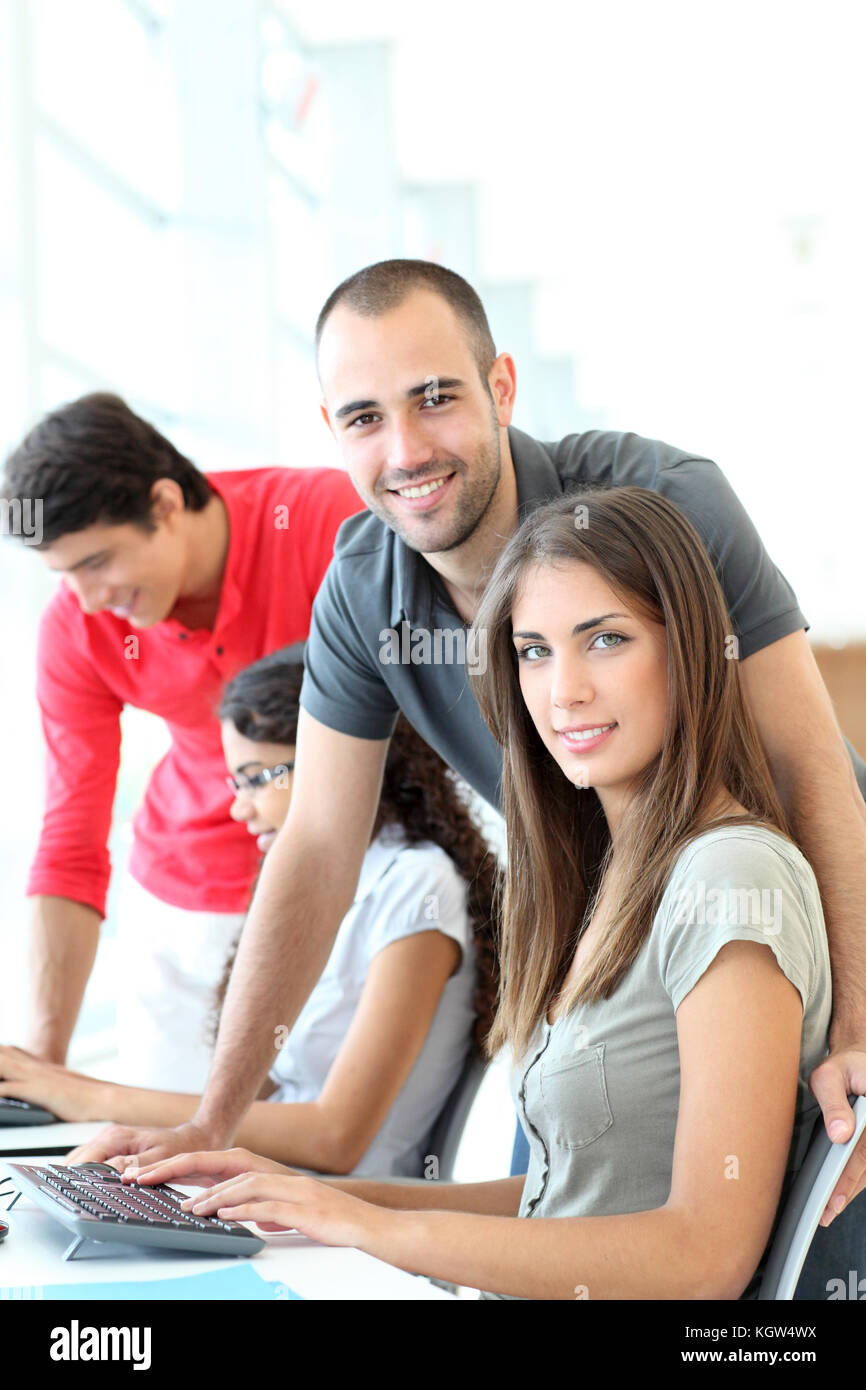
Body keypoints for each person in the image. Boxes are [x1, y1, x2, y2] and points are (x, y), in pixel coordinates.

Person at [67, 259, 866, 1229]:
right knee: (560, 1211)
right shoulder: (365, 586)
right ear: (332, 433)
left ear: (500, 388)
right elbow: (317, 848)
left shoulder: (662, 501)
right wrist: (214, 1121)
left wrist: (856, 1032)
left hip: (780, 929)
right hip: (607, 950)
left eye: (434, 398)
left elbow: (808, 766)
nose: (404, 448)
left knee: (771, 1247)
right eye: (363, 417)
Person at [106, 488, 832, 1299]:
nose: (566, 692)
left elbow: (705, 1259)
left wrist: (374, 1230)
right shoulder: (609, 879)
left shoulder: (730, 877)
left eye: (606, 639)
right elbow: (561, 1205)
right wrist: (286, 1194)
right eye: (534, 651)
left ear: (692, 650)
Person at [0, 649, 497, 1177]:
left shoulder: (417, 884)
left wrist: (84, 1093)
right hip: (263, 1186)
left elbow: (336, 1138)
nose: (239, 808)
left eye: (258, 777)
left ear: (332, 753)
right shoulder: (323, 885)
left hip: (342, 1219)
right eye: (236, 783)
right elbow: (252, 1108)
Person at [1, 393, 363, 1088]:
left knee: (315, 1166)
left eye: (98, 562)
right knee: (160, 1174)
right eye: (65, 574)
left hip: (342, 888)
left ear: (165, 503)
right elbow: (71, 840)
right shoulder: (77, 628)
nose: (88, 599)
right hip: (185, 912)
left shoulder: (327, 523)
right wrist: (41, 1070)